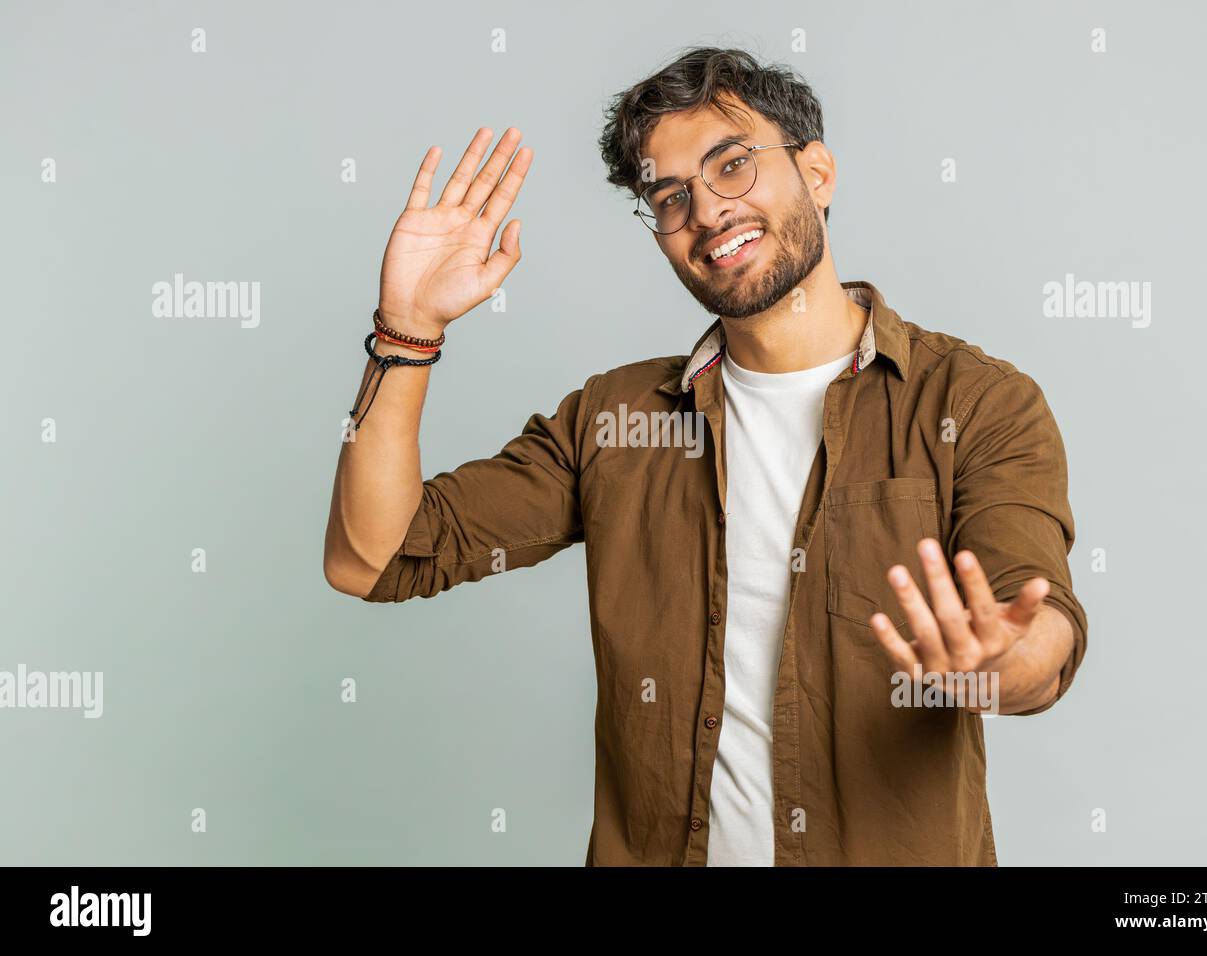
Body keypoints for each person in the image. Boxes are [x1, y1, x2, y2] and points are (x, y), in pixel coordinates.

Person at [323, 47, 1087, 866]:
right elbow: (376, 558)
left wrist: (995, 661)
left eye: (733, 165)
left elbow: (1040, 644)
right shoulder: (615, 421)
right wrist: (408, 331)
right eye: (671, 196)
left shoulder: (974, 403)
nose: (709, 211)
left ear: (817, 172)